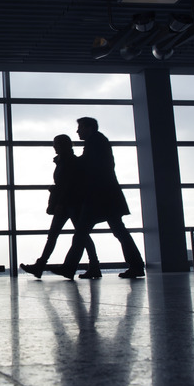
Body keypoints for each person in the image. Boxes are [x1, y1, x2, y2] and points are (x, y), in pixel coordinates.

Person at [51, 117, 145, 279]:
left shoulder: (95, 142)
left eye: (80, 128)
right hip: (106, 197)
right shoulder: (98, 141)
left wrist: (67, 160)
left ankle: (70, 267)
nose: (77, 131)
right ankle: (136, 265)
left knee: (82, 232)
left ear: (88, 128)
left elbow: (88, 165)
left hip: (99, 198)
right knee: (117, 231)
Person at [20, 135, 101, 279]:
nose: (54, 146)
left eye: (56, 144)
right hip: (70, 203)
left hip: (67, 204)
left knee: (58, 236)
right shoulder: (69, 161)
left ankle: (40, 266)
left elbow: (67, 185)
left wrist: (59, 201)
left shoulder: (66, 162)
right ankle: (94, 265)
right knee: (80, 236)